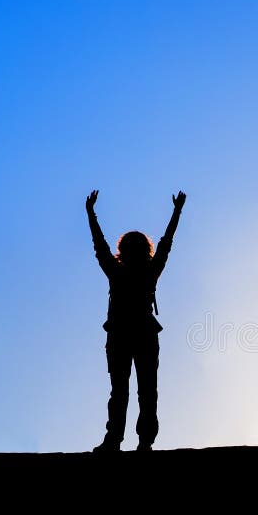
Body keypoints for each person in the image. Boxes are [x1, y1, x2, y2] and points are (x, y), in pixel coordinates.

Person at [86, 189, 186, 453]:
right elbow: (166, 244)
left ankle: (120, 440)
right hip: (136, 334)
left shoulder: (119, 271)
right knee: (142, 390)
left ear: (123, 250)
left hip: (126, 334)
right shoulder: (147, 271)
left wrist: (91, 214)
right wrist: (176, 211)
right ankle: (136, 441)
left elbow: (100, 246)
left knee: (126, 391)